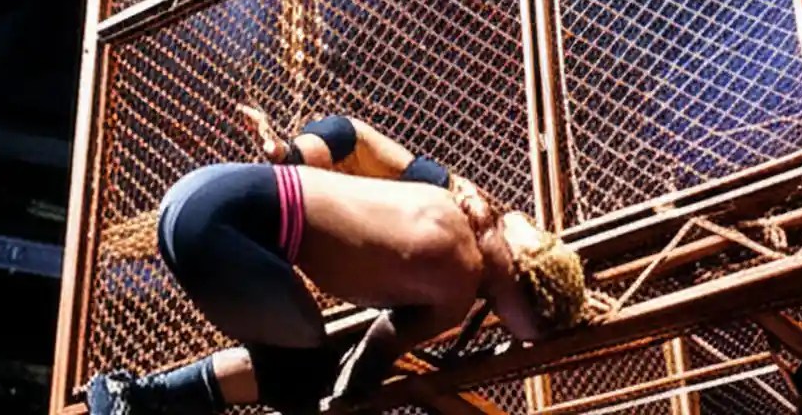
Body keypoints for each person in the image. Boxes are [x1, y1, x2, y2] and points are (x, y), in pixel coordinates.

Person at [89, 106, 589, 415]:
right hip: (225, 231)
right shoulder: (458, 286)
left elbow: (348, 133)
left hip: (202, 195)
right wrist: (351, 400)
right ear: (530, 289)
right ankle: (139, 397)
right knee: (305, 374)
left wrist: (293, 154)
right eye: (532, 327)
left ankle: (140, 396)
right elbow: (377, 348)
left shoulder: (450, 197)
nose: (518, 334)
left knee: (296, 358)